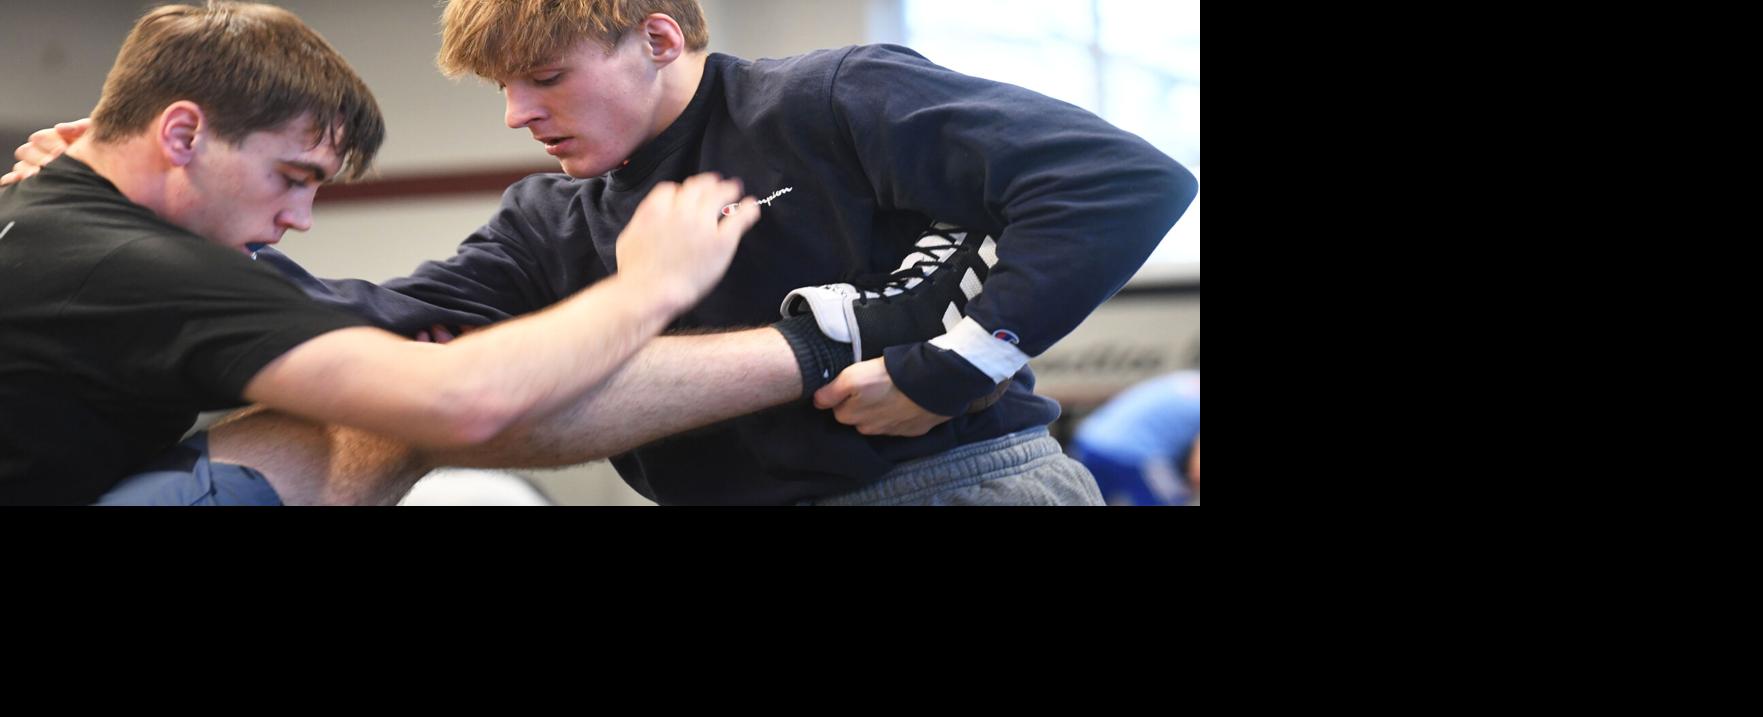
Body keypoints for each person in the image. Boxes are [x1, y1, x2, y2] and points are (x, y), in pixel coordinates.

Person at [12, 0, 1198, 505]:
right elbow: (384, 311)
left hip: (946, 484)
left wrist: (956, 361)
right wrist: (149, 232)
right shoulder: (554, 217)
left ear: (656, 36)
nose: (518, 114)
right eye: (501, 90)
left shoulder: (832, 95)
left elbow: (1117, 181)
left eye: (541, 78)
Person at [1070, 371, 1201, 506]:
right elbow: (1197, 471)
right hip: (1138, 452)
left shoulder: (1186, 378)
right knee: (1174, 499)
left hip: (1091, 440)